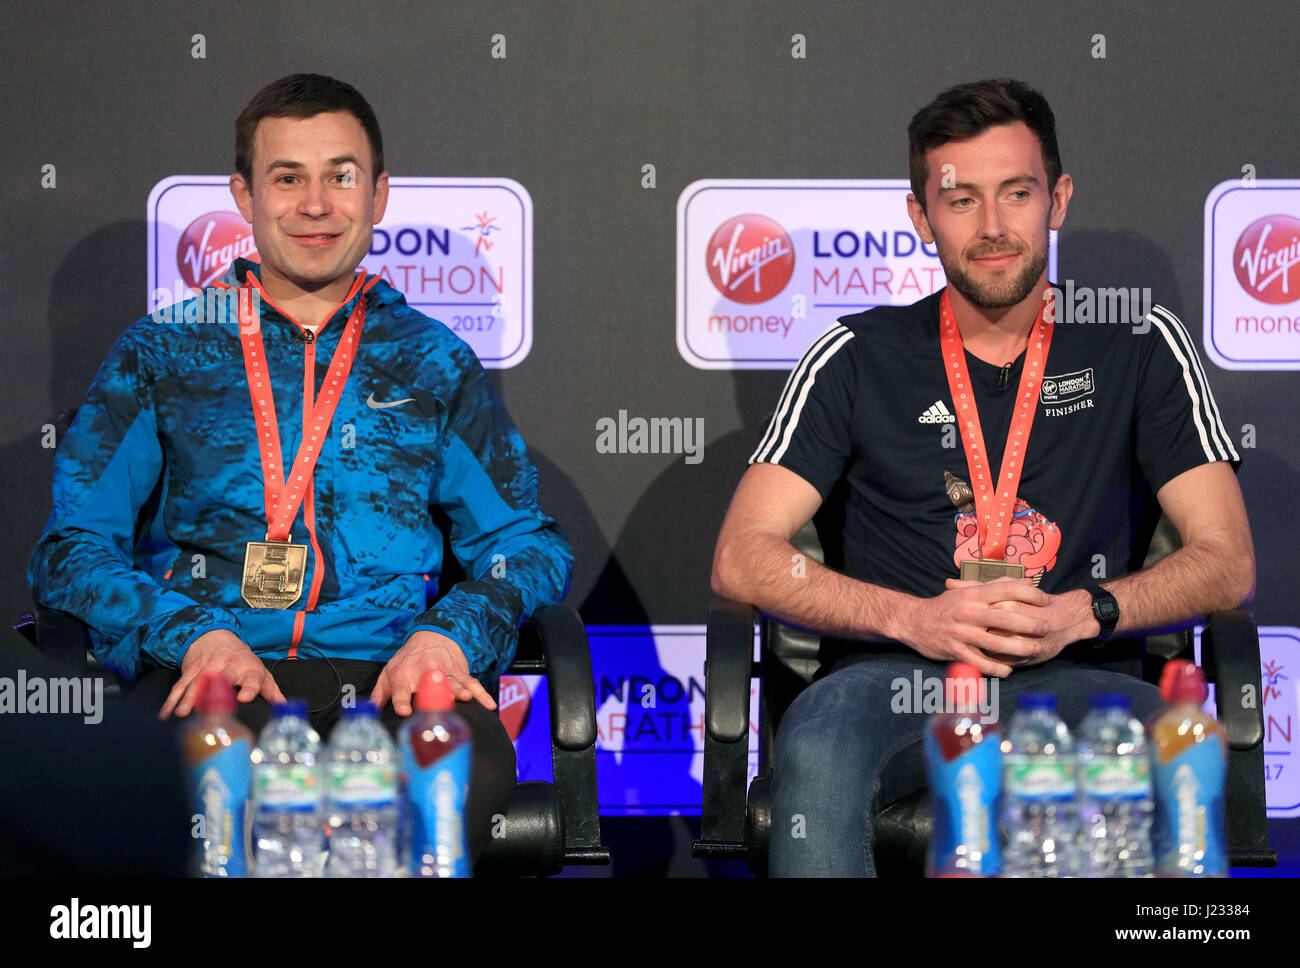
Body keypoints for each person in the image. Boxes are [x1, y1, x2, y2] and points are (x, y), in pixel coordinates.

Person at [710, 78, 1254, 877]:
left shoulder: (1137, 344)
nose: (993, 227)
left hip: (1081, 676)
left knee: (1176, 757)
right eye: (961, 200)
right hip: (893, 679)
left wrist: (1084, 611)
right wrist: (914, 620)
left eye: (1018, 194)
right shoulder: (857, 355)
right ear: (920, 216)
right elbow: (744, 556)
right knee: (820, 745)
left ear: (1057, 199)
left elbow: (1227, 561)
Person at [29, 74, 573, 865]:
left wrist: (449, 637)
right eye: (288, 178)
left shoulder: (433, 362)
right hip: (216, 677)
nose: (316, 204)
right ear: (243, 195)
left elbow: (527, 545)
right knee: (222, 801)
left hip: (394, 675)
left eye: (341, 176)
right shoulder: (163, 353)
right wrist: (190, 634)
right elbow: (72, 548)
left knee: (436, 791)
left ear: (379, 194)